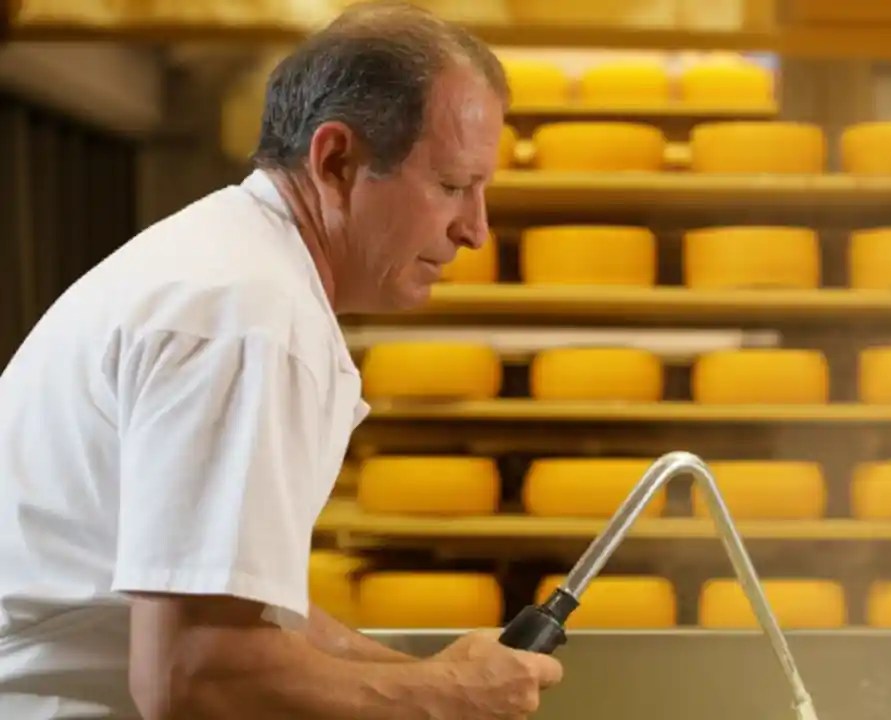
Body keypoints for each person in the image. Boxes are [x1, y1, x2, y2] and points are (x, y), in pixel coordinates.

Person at [0, 1, 563, 717]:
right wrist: (442, 696)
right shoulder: (249, 317)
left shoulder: (231, 269)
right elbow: (193, 673)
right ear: (335, 161)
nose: (476, 230)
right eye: (452, 186)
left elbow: (237, 612)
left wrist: (429, 675)